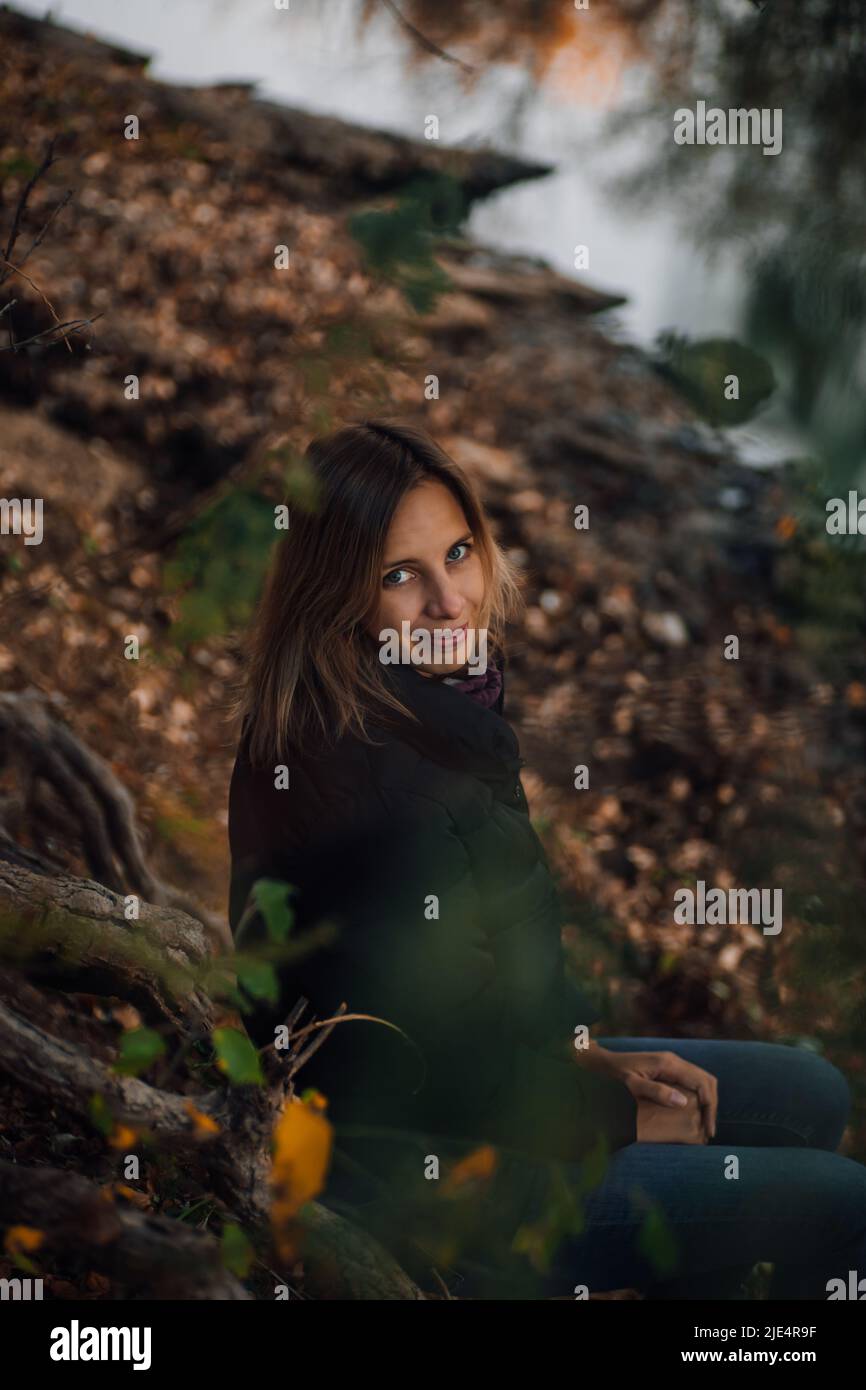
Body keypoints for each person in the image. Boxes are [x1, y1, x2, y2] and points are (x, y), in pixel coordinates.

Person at [227, 419, 866, 1299]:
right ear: (337, 594)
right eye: (400, 575)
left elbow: (504, 983)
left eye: (458, 554)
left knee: (812, 1092)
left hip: (485, 1101)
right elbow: (425, 1068)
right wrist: (615, 1114)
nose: (450, 602)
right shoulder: (355, 767)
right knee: (842, 1203)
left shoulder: (439, 713)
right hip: (408, 1173)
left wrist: (591, 1056)